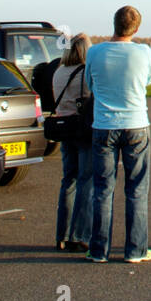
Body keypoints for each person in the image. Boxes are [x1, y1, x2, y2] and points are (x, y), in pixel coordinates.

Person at [84, 5, 151, 264]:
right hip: (136, 124)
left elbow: (89, 83)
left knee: (102, 189)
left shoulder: (95, 52)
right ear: (135, 29)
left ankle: (98, 249)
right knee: (137, 189)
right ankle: (135, 250)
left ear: (114, 24)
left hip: (103, 125)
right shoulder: (144, 51)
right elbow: (148, 80)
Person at [53, 32, 94, 251]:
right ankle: (79, 235)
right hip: (83, 129)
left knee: (68, 179)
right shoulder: (86, 72)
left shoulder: (59, 72)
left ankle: (62, 233)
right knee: (86, 180)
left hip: (64, 128)